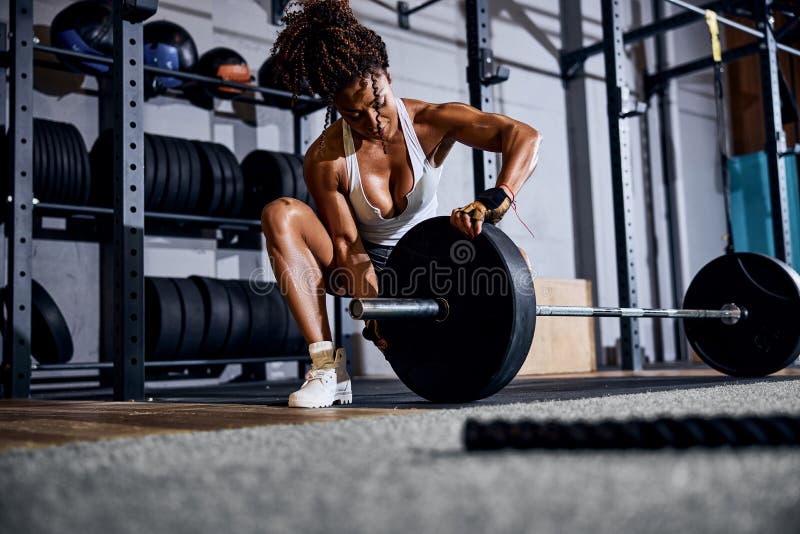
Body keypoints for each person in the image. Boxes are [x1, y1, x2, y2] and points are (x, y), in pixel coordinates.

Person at [261, 0, 542, 408]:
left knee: (519, 263)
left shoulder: (431, 121)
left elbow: (525, 137)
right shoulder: (326, 159)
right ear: (337, 108)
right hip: (363, 266)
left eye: (379, 103)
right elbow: (345, 244)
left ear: (388, 77)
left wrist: (497, 196)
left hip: (431, 261)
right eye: (356, 116)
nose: (374, 121)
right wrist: (378, 311)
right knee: (279, 213)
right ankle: (327, 369)